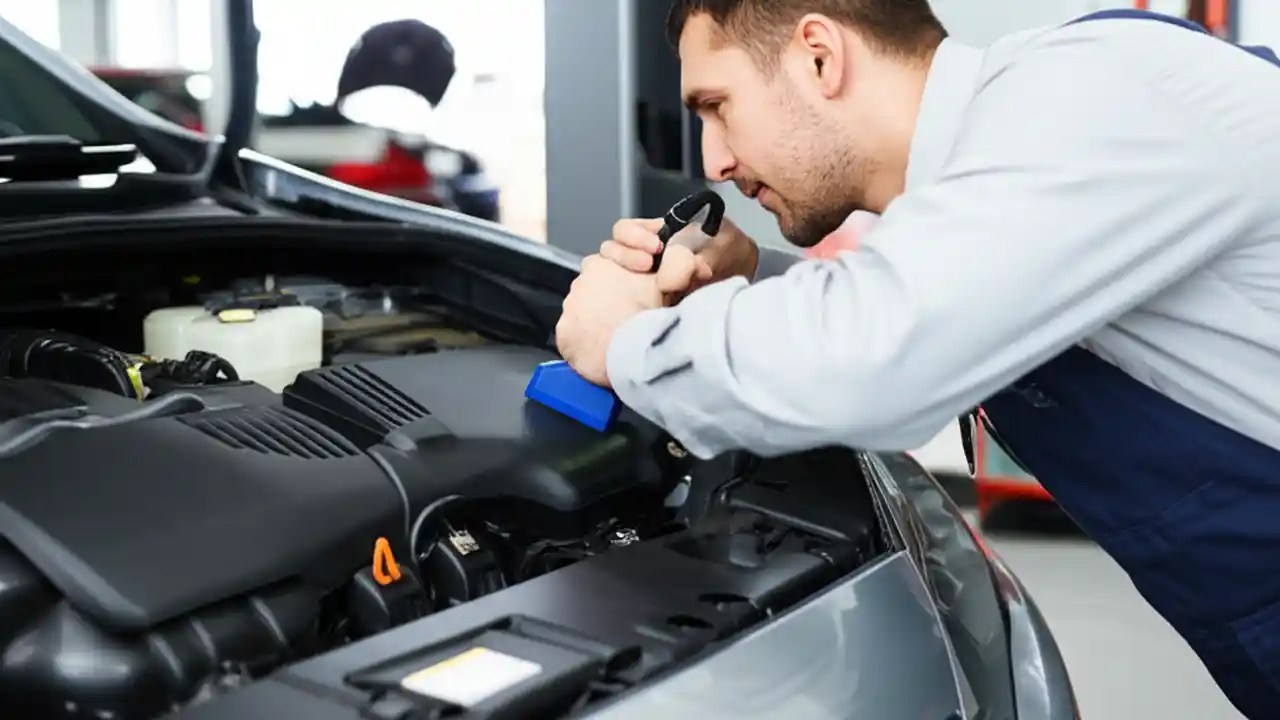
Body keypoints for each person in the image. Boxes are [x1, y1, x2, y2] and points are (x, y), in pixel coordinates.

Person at [552, 1, 1280, 716]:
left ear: (819, 56)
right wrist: (751, 280)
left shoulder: (1089, 95)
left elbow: (873, 360)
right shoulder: (1010, 158)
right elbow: (965, 301)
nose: (713, 160)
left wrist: (623, 342)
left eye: (718, 105)